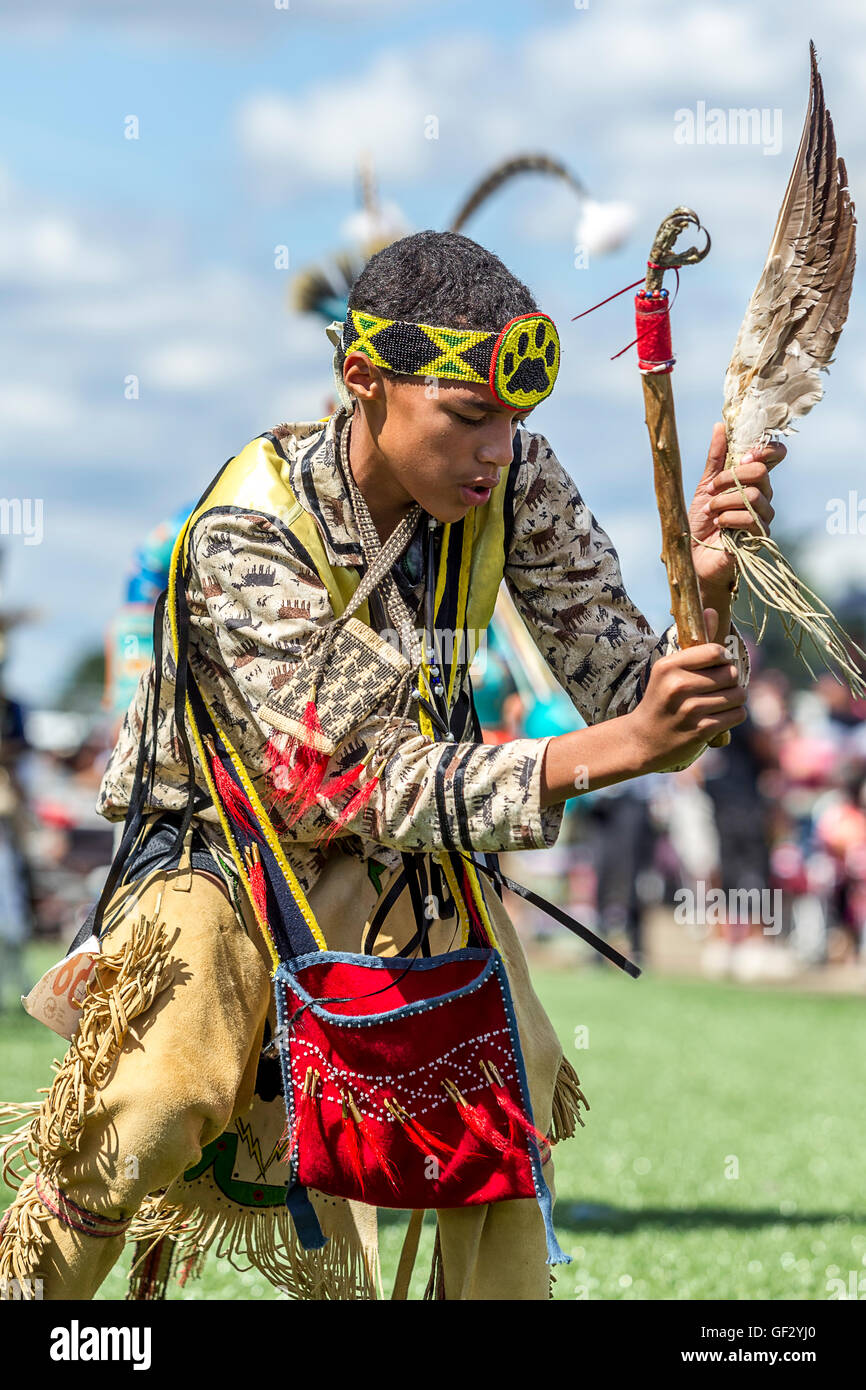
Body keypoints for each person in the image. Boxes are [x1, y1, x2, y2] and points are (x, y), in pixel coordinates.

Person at [0, 230, 781, 1301]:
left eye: (512, 422)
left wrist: (708, 593)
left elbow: (641, 705)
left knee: (496, 1107)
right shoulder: (247, 528)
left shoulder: (514, 478)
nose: (497, 450)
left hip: (410, 866)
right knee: (148, 1104)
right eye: (467, 418)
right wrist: (617, 746)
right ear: (361, 381)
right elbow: (367, 779)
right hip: (221, 857)